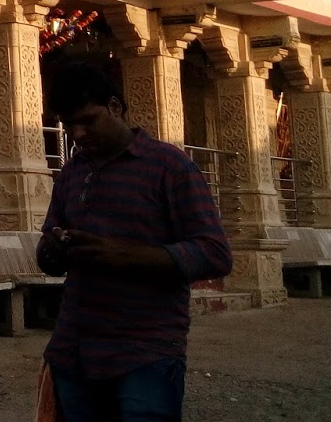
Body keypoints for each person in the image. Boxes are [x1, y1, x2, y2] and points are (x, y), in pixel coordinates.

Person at [37, 63, 232, 422]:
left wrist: (126, 256)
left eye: (88, 120)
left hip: (145, 351)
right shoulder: (73, 172)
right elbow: (48, 251)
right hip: (74, 349)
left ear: (115, 107)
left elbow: (215, 253)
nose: (78, 134)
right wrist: (55, 247)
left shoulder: (170, 167)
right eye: (69, 125)